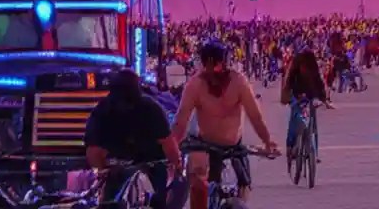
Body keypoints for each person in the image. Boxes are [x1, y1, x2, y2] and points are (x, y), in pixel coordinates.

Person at [172, 41, 279, 209]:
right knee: (198, 180)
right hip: (207, 145)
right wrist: (174, 150)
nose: (212, 70)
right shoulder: (198, 85)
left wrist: (267, 141)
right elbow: (180, 122)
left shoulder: (236, 82)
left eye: (215, 64)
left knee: (243, 186)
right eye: (209, 65)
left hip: (230, 146)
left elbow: (255, 117)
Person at [84, 69, 182, 209]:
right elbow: (93, 152)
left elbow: (169, 146)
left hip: (149, 166)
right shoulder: (103, 111)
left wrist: (175, 168)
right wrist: (105, 171)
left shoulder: (150, 109)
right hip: (119, 169)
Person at [280, 49, 331, 156]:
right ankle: (296, 147)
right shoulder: (301, 71)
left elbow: (319, 84)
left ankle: (306, 150)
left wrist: (322, 98)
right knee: (300, 120)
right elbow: (289, 85)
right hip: (302, 97)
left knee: (304, 122)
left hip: (305, 97)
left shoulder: (307, 70)